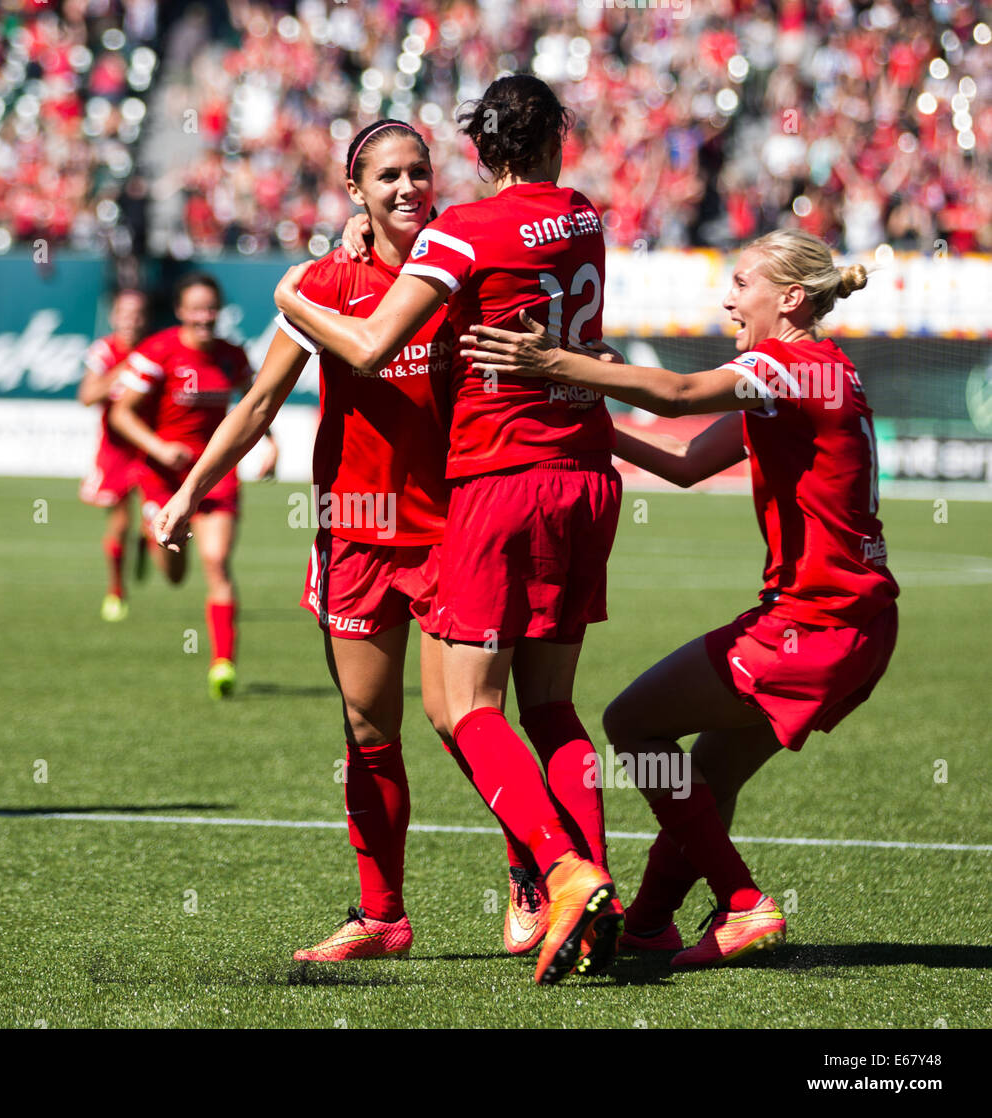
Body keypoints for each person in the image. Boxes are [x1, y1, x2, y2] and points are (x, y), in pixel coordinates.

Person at [459, 228, 898, 968]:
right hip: (853, 624)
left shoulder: (784, 364)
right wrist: (585, 408)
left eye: (742, 282)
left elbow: (678, 395)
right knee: (710, 778)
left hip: (815, 622)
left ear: (789, 298)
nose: (727, 297)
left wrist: (554, 363)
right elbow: (687, 461)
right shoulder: (822, 370)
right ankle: (652, 925)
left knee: (631, 722)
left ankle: (742, 904)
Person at [273, 75, 622, 984]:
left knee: (462, 710)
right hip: (587, 479)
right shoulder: (583, 216)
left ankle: (558, 870)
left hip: (497, 484)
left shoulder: (464, 232)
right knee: (548, 708)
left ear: (474, 154)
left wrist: (291, 293)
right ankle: (582, 884)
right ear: (557, 143)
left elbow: (367, 345)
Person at [157, 120, 531, 962]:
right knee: (368, 730)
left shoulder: (463, 266)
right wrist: (189, 490)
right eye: (389, 176)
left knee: (461, 720)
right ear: (355, 192)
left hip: (453, 531)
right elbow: (255, 406)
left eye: (421, 172)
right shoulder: (326, 280)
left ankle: (531, 873)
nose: (408, 188)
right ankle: (382, 917)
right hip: (354, 537)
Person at [111, 274, 275, 699]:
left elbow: (257, 402)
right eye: (197, 308)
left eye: (211, 308)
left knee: (217, 562)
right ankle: (152, 542)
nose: (205, 317)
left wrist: (271, 444)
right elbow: (121, 414)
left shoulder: (232, 356)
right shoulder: (159, 351)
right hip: (163, 476)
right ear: (182, 311)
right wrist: (159, 447)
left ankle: (223, 664)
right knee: (176, 572)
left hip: (214, 475)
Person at [77, 289, 150, 622]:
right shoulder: (105, 351)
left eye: (137, 314)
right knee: (119, 522)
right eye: (125, 313)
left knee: (155, 520)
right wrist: (119, 374)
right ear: (114, 316)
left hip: (150, 444)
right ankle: (116, 590)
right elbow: (87, 396)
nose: (131, 320)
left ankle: (147, 544)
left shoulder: (154, 350)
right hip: (117, 448)